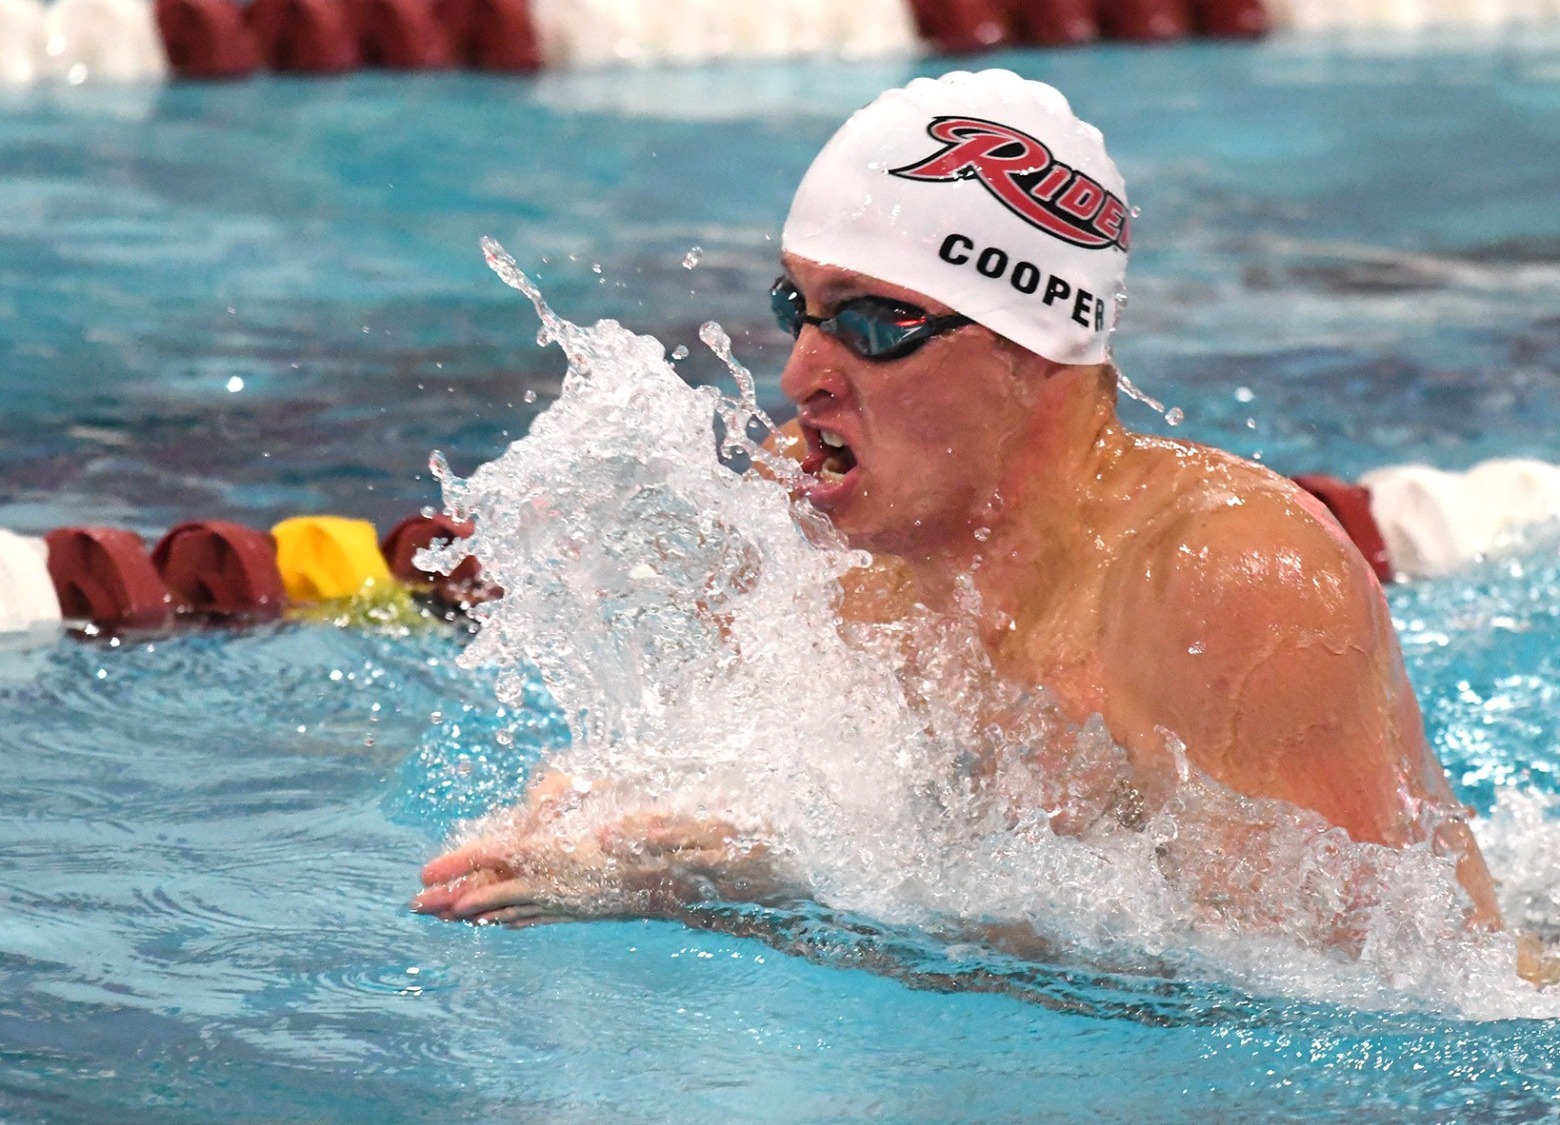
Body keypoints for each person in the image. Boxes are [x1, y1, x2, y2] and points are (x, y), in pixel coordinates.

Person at [413, 69, 1503, 941]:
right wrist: (605, 807)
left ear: (1034, 346)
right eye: (797, 307)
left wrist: (800, 889)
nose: (800, 377)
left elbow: (1339, 1000)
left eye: (872, 323)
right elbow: (733, 780)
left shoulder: (1228, 579)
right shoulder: (820, 520)